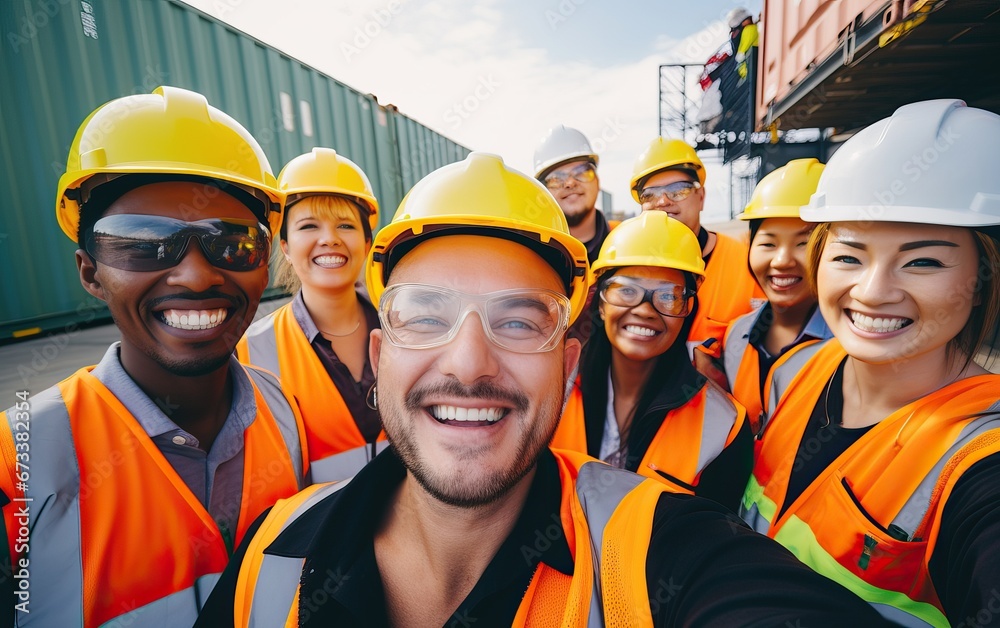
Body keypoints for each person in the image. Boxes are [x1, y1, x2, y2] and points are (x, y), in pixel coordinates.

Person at [198, 152, 890, 627]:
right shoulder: (271, 555)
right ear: (381, 357)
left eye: (520, 321)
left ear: (566, 366)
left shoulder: (657, 550)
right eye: (426, 316)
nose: (469, 364)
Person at [0, 86, 309, 627]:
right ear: (89, 272)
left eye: (232, 243)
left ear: (264, 265)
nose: (195, 275)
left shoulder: (283, 413)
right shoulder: (16, 461)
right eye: (142, 242)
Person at [740, 99, 1000, 626]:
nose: (873, 291)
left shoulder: (978, 461)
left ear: (983, 282)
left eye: (922, 261)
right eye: (849, 255)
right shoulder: (795, 371)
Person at [550, 211, 752, 511]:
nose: (645, 310)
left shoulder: (724, 424)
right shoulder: (552, 389)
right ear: (601, 303)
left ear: (687, 310)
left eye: (669, 296)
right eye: (626, 290)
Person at [237, 148, 385, 481]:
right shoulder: (249, 352)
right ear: (286, 246)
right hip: (313, 531)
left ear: (367, 241)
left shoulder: (407, 329)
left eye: (345, 225)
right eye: (309, 226)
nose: (329, 239)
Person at [630, 137, 764, 378]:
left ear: (701, 196)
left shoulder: (747, 263)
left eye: (678, 190)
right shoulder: (629, 269)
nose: (663, 201)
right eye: (649, 195)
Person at [723, 158, 832, 434]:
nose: (782, 261)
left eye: (804, 243)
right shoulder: (736, 334)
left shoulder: (852, 347)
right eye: (768, 243)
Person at [533, 125, 617, 264]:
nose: (570, 183)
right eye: (555, 178)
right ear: (543, 191)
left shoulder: (626, 240)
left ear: (597, 181)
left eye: (582, 171)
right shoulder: (533, 255)